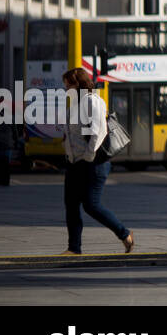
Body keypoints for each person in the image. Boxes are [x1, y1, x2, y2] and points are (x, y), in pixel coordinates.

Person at [59, 68, 133, 255]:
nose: (65, 88)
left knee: (91, 205)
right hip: (75, 163)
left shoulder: (92, 101)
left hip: (93, 163)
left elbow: (98, 132)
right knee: (71, 204)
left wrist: (88, 157)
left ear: (79, 84)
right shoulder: (74, 105)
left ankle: (124, 234)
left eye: (68, 84)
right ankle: (74, 248)